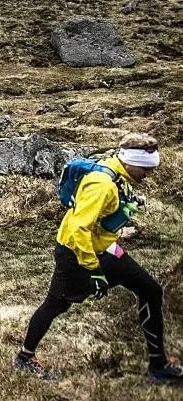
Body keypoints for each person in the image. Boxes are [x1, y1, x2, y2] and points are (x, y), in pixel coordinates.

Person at [13, 133, 182, 384]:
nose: (149, 175)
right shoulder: (102, 185)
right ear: (130, 162)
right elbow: (79, 229)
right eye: (145, 169)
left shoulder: (118, 170)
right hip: (75, 253)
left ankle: (158, 366)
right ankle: (25, 358)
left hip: (105, 248)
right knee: (56, 304)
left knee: (150, 290)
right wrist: (94, 271)